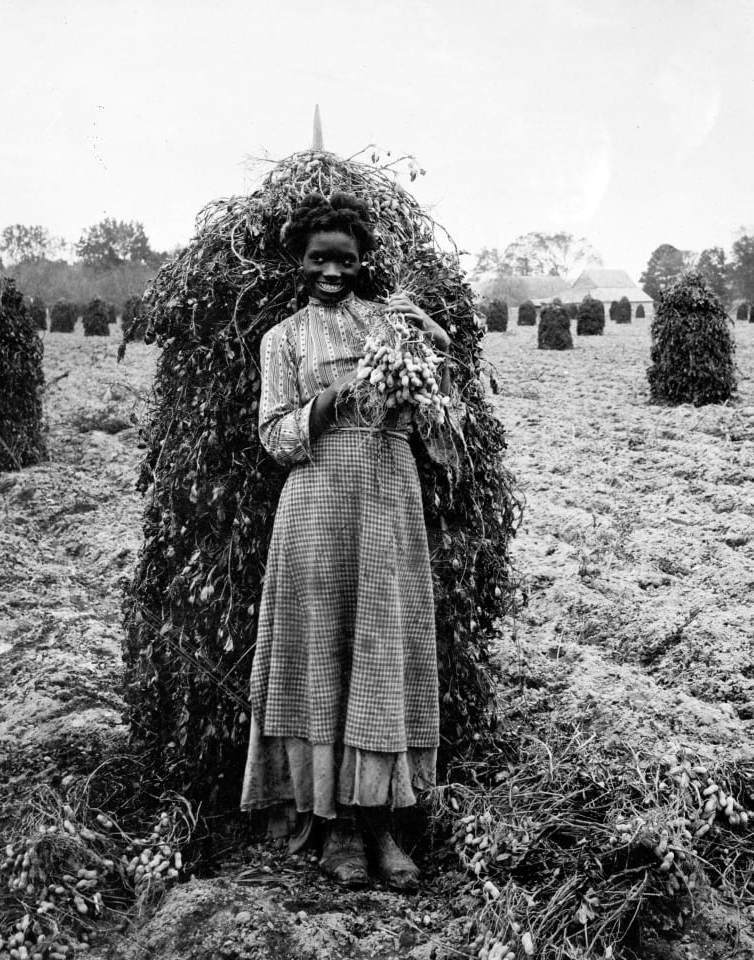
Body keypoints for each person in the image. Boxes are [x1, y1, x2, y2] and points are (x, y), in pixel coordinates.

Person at [241, 191, 452, 892]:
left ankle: (382, 826)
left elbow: (436, 411)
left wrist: (429, 344)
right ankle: (335, 830)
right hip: (315, 507)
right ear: (298, 263)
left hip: (387, 500)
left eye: (346, 260)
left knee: (381, 653)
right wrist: (331, 399)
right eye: (318, 260)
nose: (332, 272)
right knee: (321, 654)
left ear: (363, 263)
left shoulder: (391, 326)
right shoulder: (283, 340)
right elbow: (275, 437)